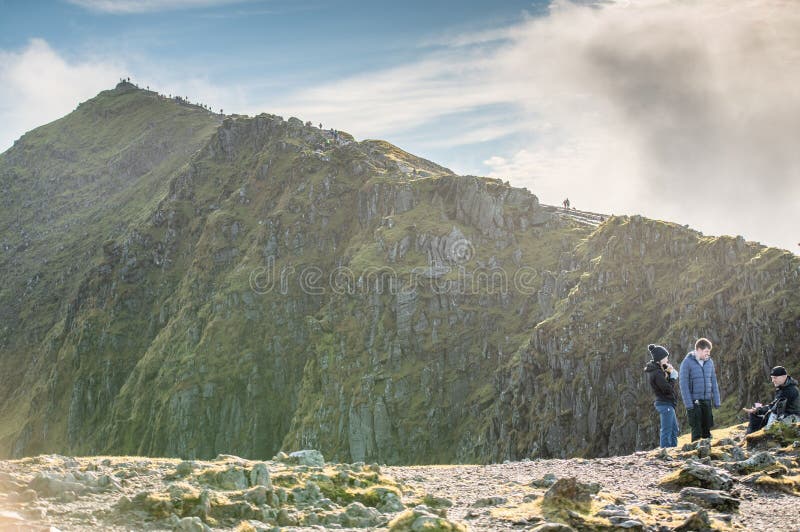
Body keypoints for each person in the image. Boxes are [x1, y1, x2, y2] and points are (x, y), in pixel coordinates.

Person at [679, 337, 721, 441]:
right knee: (696, 430)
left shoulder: (710, 362)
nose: (708, 354)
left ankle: (707, 453)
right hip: (694, 402)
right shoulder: (687, 362)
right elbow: (683, 385)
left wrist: (717, 401)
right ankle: (695, 454)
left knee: (707, 428)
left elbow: (714, 382)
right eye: (706, 351)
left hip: (707, 400)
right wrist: (689, 405)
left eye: (709, 352)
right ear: (698, 349)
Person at [743, 366, 800, 434]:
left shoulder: (790, 390)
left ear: (784, 376)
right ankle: (750, 437)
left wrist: (759, 410)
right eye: (772, 378)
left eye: (775, 378)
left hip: (793, 417)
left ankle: (765, 435)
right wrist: (757, 410)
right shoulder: (783, 387)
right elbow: (774, 405)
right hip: (784, 415)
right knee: (755, 415)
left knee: (771, 414)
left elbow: (775, 408)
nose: (773, 380)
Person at [645, 344, 680, 447]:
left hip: (668, 404)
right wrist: (672, 377)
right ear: (659, 359)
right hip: (665, 404)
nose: (667, 360)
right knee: (666, 430)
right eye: (665, 357)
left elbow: (666, 386)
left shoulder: (659, 371)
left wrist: (669, 374)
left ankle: (673, 451)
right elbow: (667, 389)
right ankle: (665, 453)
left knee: (674, 429)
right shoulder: (656, 373)